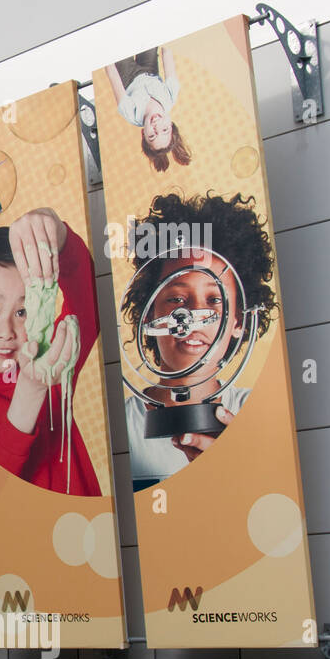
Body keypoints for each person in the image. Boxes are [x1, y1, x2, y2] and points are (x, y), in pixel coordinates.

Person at [119, 192, 278, 487]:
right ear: (148, 314)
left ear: (239, 320)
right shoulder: (117, 428)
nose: (191, 318)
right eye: (177, 298)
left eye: (214, 299)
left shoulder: (261, 417)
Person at [0, 207, 102, 495]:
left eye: (23, 311)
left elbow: (91, 300)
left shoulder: (53, 363)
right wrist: (30, 390)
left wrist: (59, 236)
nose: (7, 331)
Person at [106, 45, 192, 172]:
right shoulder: (171, 96)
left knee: (119, 46)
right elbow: (167, 54)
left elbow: (113, 74)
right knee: (149, 41)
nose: (157, 126)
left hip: (127, 76)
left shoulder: (131, 114)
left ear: (143, 133)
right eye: (164, 129)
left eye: (152, 135)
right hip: (150, 69)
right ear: (171, 124)